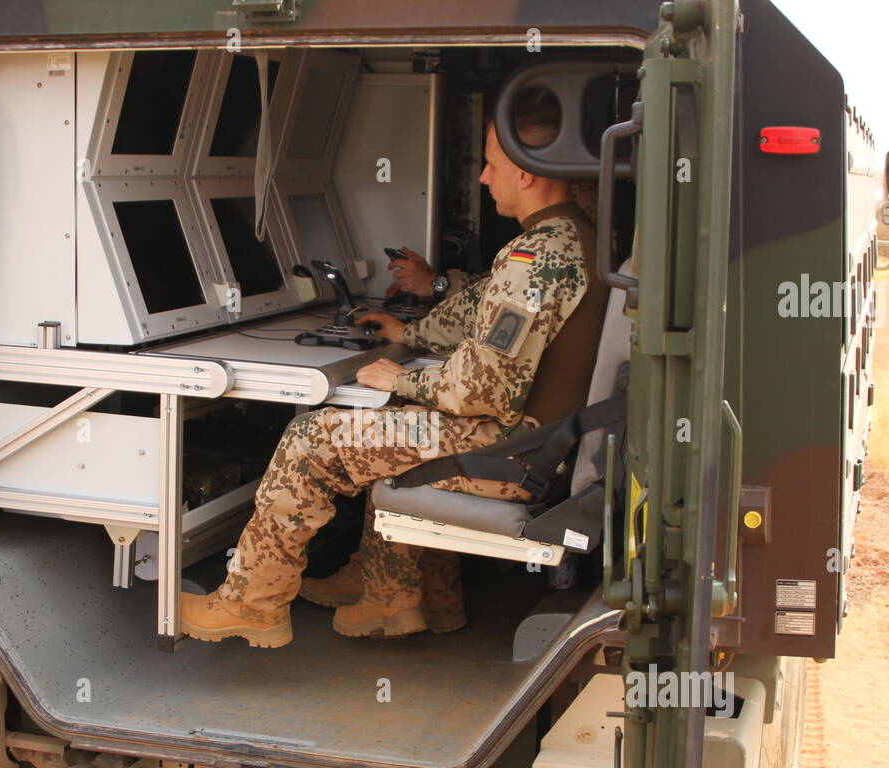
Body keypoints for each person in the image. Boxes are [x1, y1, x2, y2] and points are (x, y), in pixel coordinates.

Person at [180, 106, 607, 648]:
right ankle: (410, 595)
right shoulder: (574, 237)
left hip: (513, 450)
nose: (482, 177)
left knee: (312, 439)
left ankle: (252, 602)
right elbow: (483, 310)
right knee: (387, 428)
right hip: (538, 440)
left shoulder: (536, 256)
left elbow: (480, 389)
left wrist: (400, 379)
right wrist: (412, 337)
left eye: (491, 163)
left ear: (525, 172)